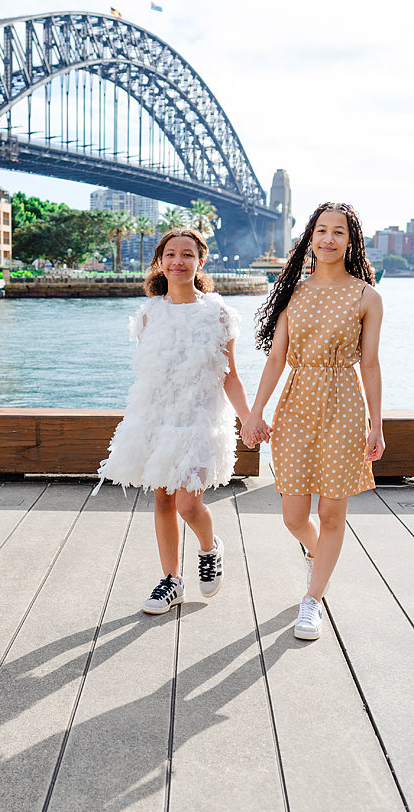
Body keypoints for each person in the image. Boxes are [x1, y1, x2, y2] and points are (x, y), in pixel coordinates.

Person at [241, 202, 384, 640]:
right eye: (321, 230)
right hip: (297, 404)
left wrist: (376, 425)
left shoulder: (367, 296)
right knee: (294, 515)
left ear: (350, 240)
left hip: (343, 405)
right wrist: (254, 412)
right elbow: (277, 359)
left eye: (338, 231)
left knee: (332, 511)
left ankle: (312, 600)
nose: (328, 238)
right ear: (309, 239)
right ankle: (316, 552)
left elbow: (372, 364)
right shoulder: (294, 293)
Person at [96, 227, 256, 614]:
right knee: (163, 498)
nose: (178, 261)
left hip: (200, 419)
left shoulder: (218, 313)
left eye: (187, 254)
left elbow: (229, 375)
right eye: (170, 254)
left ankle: (210, 548)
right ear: (160, 262)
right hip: (156, 415)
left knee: (187, 504)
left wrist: (249, 417)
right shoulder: (149, 313)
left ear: (200, 262)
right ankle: (171, 581)